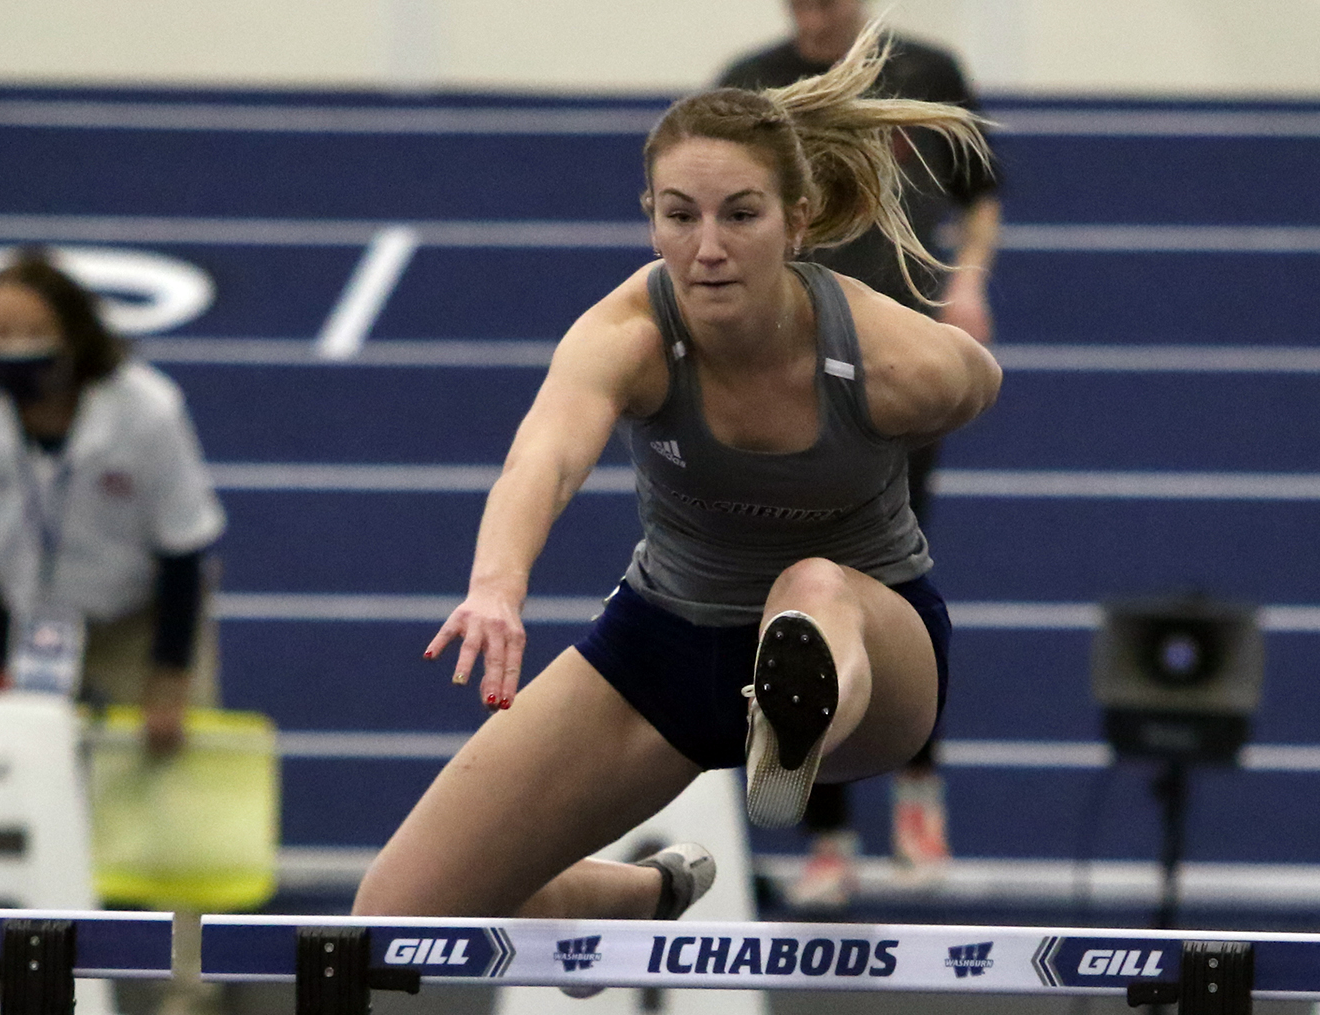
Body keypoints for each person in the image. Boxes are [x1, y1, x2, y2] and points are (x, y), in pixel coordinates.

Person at [352, 23, 999, 934]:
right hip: (671, 645)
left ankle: (795, 720)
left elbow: (980, 382)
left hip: (874, 667)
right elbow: (545, 453)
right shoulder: (629, 332)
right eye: (678, 216)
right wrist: (496, 588)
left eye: (741, 214)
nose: (706, 249)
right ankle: (638, 895)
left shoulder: (887, 356)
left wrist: (927, 363)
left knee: (808, 585)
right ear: (649, 215)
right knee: (393, 915)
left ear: (798, 220)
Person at [0, 248, 227, 1015]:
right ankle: (46, 1005)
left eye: (33, 333)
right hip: (28, 626)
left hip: (142, 614)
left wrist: (168, 678)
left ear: (76, 336)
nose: (14, 349)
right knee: (39, 799)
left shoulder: (146, 410)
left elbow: (187, 550)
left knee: (173, 816)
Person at [719, 0, 1003, 905]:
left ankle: (920, 797)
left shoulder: (926, 72)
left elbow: (981, 192)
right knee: (798, 593)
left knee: (898, 575)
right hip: (790, 372)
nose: (808, 17)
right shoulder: (750, 83)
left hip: (894, 365)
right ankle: (828, 834)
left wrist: (968, 283)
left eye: (825, 3)